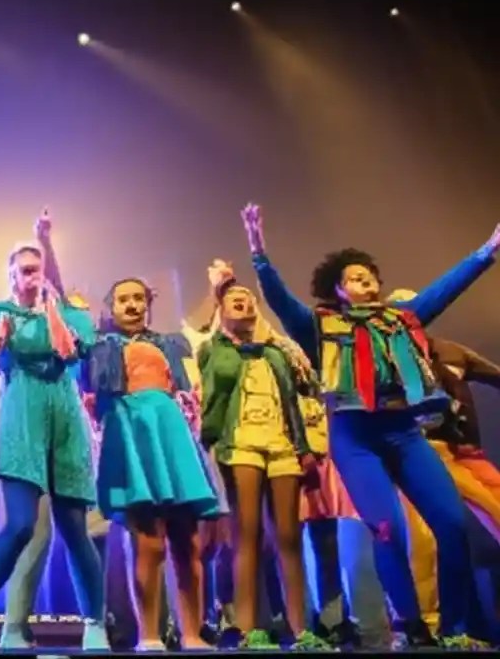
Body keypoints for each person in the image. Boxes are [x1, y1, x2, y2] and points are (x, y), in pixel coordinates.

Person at [241, 202, 497, 648]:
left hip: (403, 431)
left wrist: (487, 251)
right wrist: (258, 252)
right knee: (387, 529)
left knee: (452, 525)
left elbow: (445, 288)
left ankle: (455, 629)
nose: (368, 282)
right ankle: (413, 628)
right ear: (338, 289)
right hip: (355, 438)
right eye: (356, 278)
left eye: (370, 276)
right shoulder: (319, 326)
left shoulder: (403, 319)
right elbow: (280, 301)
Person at [0, 212, 106, 651]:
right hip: (21, 418)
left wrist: (49, 305)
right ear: (10, 274)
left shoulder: (67, 314)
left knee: (74, 528)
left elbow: (69, 353)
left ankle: (95, 625)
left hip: (64, 419)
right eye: (25, 270)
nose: (32, 276)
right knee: (22, 525)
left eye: (38, 269)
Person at [193, 264, 330, 649]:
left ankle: (301, 628)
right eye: (233, 301)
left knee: (288, 535)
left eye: (247, 299)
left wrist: (304, 448)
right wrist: (216, 292)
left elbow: (295, 402)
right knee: (246, 534)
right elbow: (199, 340)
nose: (241, 302)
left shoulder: (277, 353)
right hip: (241, 444)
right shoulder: (213, 350)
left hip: (283, 444)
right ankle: (249, 628)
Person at [87, 277, 221, 651]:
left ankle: (192, 633)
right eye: (123, 300)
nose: (132, 306)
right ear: (109, 309)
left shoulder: (169, 343)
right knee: (150, 541)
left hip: (171, 430)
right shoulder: (101, 346)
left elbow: (201, 329)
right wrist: (48, 245)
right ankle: (148, 634)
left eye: (138, 299)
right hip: (131, 431)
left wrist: (215, 291)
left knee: (187, 541)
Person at [385, 287, 500, 642]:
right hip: (421, 451)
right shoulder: (382, 357)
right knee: (422, 540)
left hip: (467, 452)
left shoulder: (450, 351)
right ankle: (425, 626)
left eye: (414, 310)